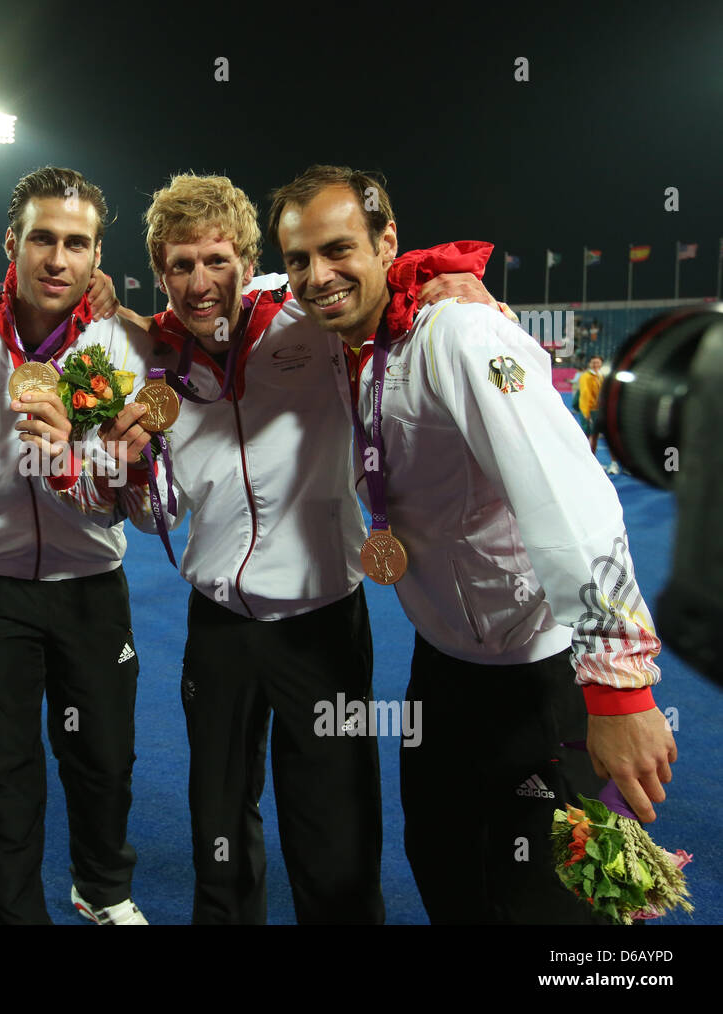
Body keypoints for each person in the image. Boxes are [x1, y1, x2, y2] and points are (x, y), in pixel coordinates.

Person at [51, 173, 501, 924]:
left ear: (249, 259)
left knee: (337, 830)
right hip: (218, 627)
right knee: (219, 829)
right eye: (181, 265)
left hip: (322, 622)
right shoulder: (154, 356)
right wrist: (126, 470)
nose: (200, 283)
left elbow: (371, 276)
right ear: (160, 272)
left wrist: (446, 277)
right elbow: (154, 508)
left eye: (217, 260)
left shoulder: (303, 317)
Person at [269, 164, 675, 923]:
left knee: (560, 913)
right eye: (299, 260)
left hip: (543, 682)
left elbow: (569, 497)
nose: (317, 277)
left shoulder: (459, 330)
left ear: (388, 241)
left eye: (338, 250)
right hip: (442, 678)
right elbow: (228, 290)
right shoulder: (344, 339)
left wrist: (620, 689)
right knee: (448, 879)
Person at [0, 166, 148, 925]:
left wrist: (79, 459)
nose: (58, 259)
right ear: (12, 243)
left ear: (96, 259)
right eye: (44, 239)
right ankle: (12, 913)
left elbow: (133, 474)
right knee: (1, 767)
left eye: (77, 244)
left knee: (105, 760)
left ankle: (104, 889)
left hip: (92, 584)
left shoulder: (120, 345)